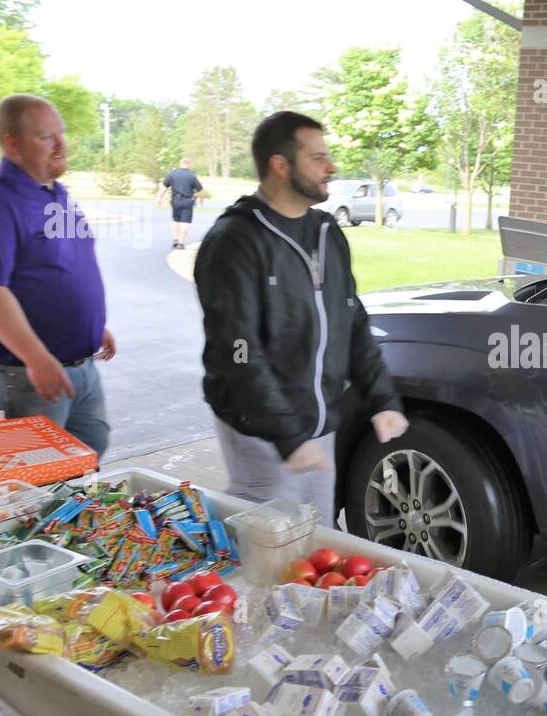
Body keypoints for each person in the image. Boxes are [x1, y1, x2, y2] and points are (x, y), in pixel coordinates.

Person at [193, 111, 408, 520]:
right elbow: (238, 351)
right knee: (267, 542)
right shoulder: (235, 241)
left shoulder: (326, 231)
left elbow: (353, 321)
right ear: (280, 164)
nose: (331, 168)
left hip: (319, 422)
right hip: (261, 430)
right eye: (317, 158)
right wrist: (288, 437)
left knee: (316, 537)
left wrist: (383, 398)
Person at [0, 94, 115, 458]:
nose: (61, 146)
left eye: (61, 134)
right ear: (12, 143)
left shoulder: (55, 194)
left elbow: (64, 266)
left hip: (79, 363)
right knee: (35, 481)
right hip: (22, 375)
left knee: (88, 455)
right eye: (46, 137)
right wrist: (36, 358)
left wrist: (91, 326)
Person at [156, 157, 204, 249]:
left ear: (180, 163)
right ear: (189, 164)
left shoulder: (172, 174)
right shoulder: (192, 176)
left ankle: (175, 239)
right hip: (188, 201)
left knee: (175, 220)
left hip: (175, 201)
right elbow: (200, 190)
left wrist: (159, 197)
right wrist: (201, 200)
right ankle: (181, 243)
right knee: (185, 222)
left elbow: (164, 187)